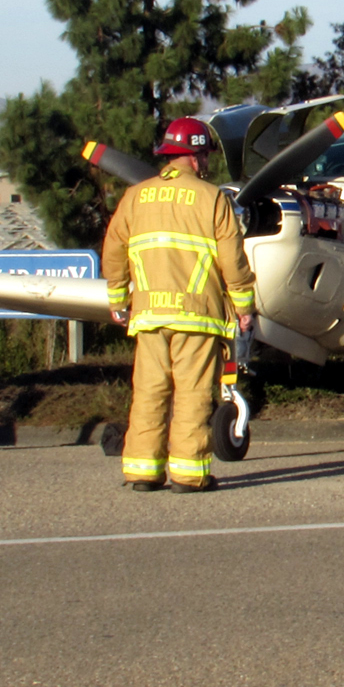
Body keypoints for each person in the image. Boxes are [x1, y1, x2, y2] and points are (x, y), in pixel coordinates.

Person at [101, 117, 256, 493]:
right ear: (196, 156)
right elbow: (232, 259)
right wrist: (244, 306)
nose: (207, 163)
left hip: (149, 315)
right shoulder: (212, 198)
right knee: (192, 395)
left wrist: (119, 299)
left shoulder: (136, 196)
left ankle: (142, 471)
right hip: (195, 317)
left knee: (150, 393)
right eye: (205, 155)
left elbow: (114, 250)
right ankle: (188, 474)